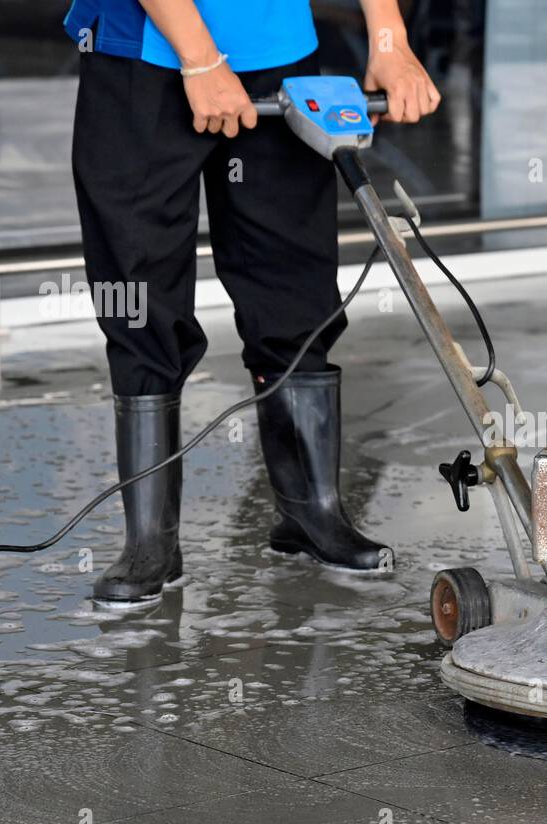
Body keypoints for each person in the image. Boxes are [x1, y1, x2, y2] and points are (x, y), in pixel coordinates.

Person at [63, 0, 440, 603]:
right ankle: (151, 541)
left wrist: (388, 39)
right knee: (140, 294)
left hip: (278, 51)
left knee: (293, 284)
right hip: (144, 58)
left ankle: (310, 511)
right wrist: (200, 59)